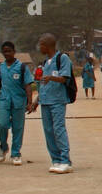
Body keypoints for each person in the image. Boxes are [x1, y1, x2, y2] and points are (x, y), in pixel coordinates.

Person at [28, 33, 73, 174]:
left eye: (40, 44)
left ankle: (66, 161)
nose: (39, 47)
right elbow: (42, 85)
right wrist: (36, 101)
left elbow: (65, 78)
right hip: (46, 101)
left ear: (47, 45)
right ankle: (56, 160)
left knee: (59, 129)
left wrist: (52, 78)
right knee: (48, 131)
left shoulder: (62, 58)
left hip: (58, 100)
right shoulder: (45, 63)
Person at [0, 41, 34, 165]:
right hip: (4, 100)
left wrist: (29, 102)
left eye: (9, 51)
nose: (7, 53)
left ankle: (16, 153)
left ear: (14, 51)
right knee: (2, 124)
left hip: (18, 101)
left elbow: (28, 85)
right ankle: (3, 146)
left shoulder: (22, 67)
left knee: (18, 128)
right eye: (4, 51)